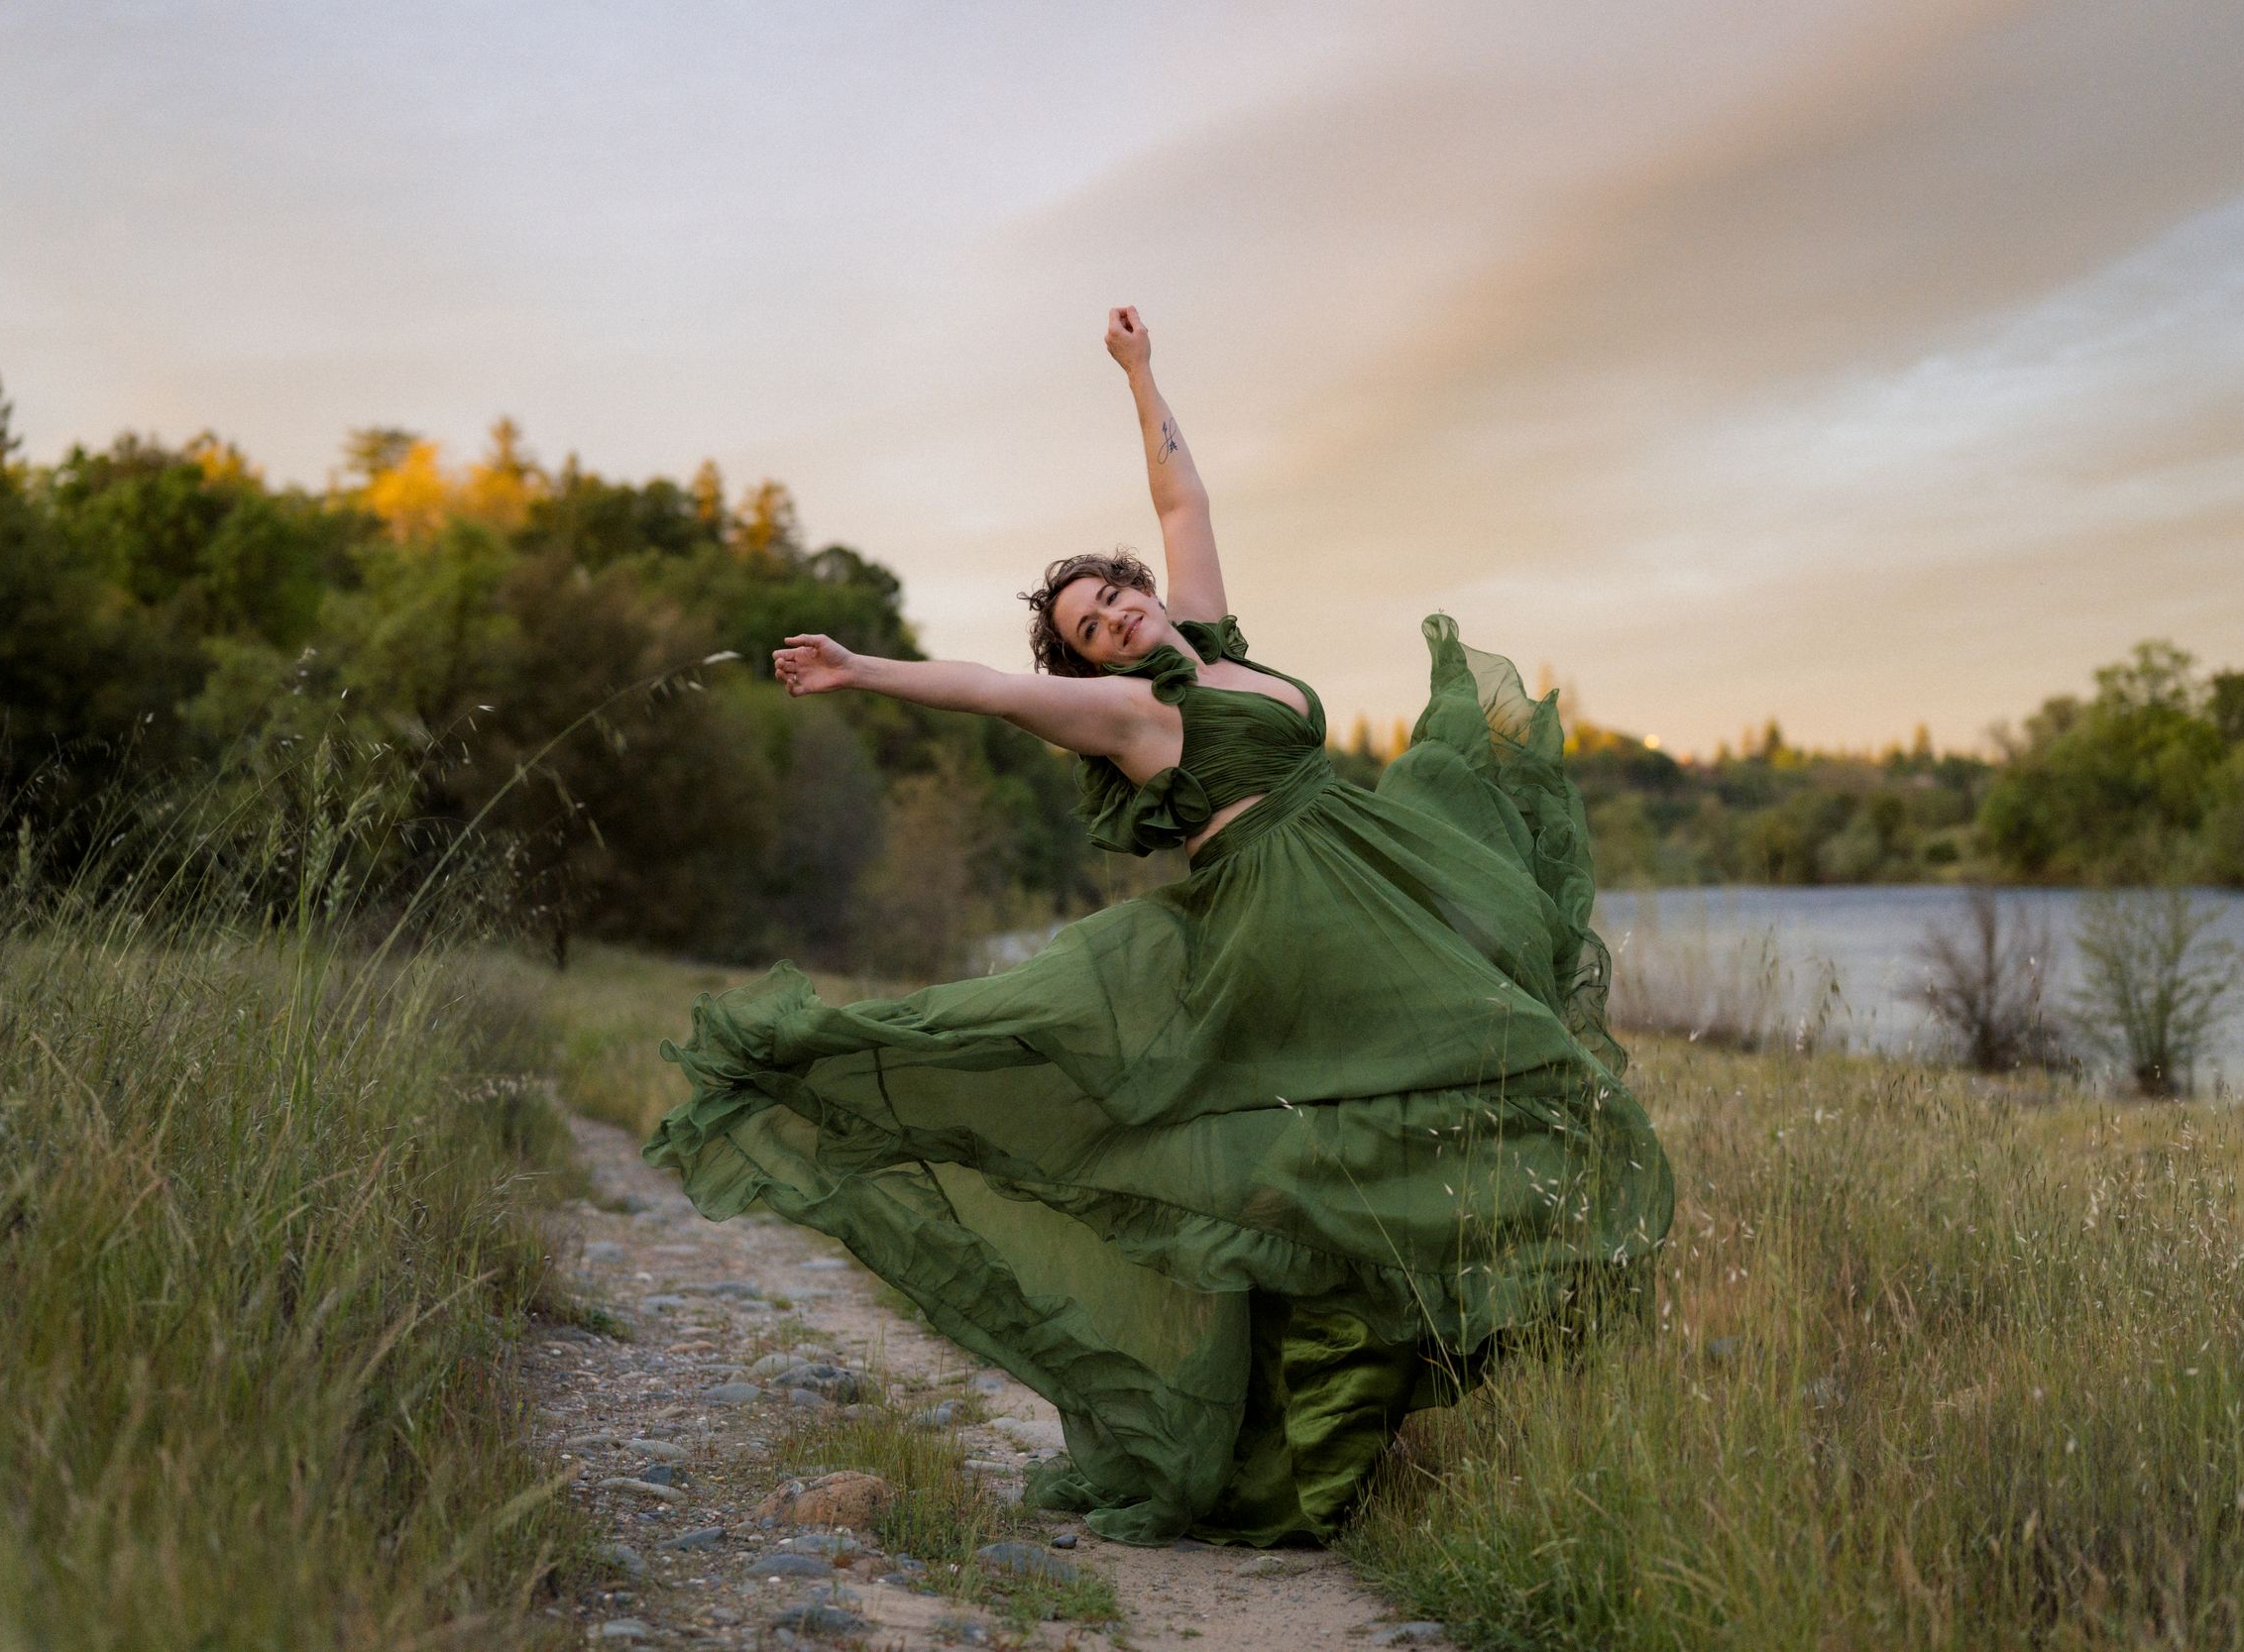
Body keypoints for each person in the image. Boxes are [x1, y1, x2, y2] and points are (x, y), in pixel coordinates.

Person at [643, 306, 1674, 1548]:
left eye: (1114, 596)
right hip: (1284, 926)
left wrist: (1141, 373)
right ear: (1087, 665)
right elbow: (986, 686)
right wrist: (865, 670)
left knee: (1447, 1097)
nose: (1113, 618)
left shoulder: (1214, 643)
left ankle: (1336, 1420)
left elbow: (1183, 503)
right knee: (1441, 1092)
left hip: (1365, 879)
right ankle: (1307, 1433)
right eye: (1087, 627)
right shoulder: (1129, 713)